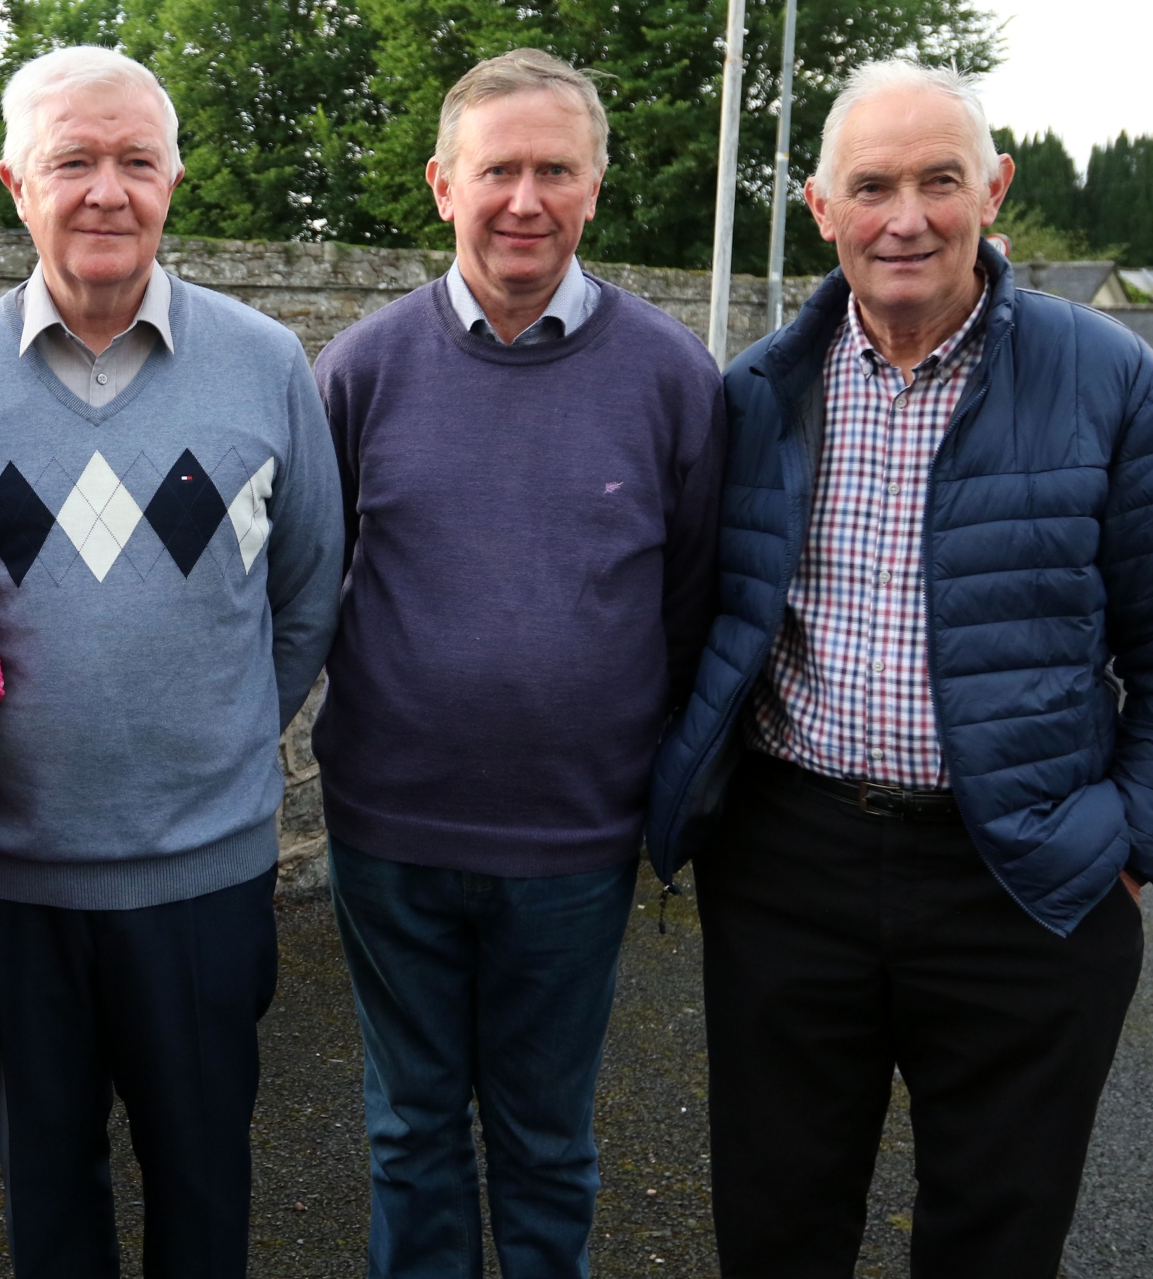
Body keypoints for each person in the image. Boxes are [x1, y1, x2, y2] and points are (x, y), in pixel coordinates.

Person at [647, 60, 1150, 1279]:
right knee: (777, 1223)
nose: (907, 217)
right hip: (790, 867)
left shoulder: (1111, 377)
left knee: (996, 1231)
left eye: (940, 180)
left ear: (995, 187)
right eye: (872, 186)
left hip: (1021, 876)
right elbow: (692, 616)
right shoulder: (756, 392)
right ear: (822, 209)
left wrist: (1124, 839)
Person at [0, 44, 342, 1279]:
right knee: (48, 1195)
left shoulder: (265, 365)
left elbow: (304, 594)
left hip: (204, 881)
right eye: (72, 160)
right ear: (15, 182)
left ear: (175, 180)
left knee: (205, 1187)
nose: (106, 191)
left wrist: (216, 732)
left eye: (136, 160)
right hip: (7, 884)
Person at [309, 49, 725, 1279]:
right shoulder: (363, 368)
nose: (525, 199)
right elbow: (307, 583)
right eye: (500, 169)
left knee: (548, 1143)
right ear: (445, 184)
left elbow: (695, 600)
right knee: (410, 1132)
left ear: (595, 186)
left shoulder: (670, 378)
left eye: (556, 169)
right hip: (392, 833)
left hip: (572, 843)